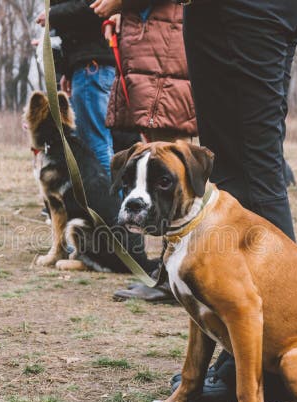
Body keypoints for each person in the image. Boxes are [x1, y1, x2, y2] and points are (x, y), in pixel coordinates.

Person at [93, 0, 297, 402]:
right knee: (252, 162)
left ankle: (257, 368)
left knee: (244, 168)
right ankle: (263, 359)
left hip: (239, 11)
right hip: (263, 11)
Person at [92, 0, 198, 303]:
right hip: (153, 50)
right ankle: (171, 273)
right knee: (163, 163)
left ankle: (176, 278)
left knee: (174, 170)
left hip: (163, 52)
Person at [37, 0, 122, 174]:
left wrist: (53, 15)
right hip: (87, 66)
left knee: (95, 146)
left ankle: (109, 192)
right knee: (94, 144)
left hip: (91, 67)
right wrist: (68, 71)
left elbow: (92, 6)